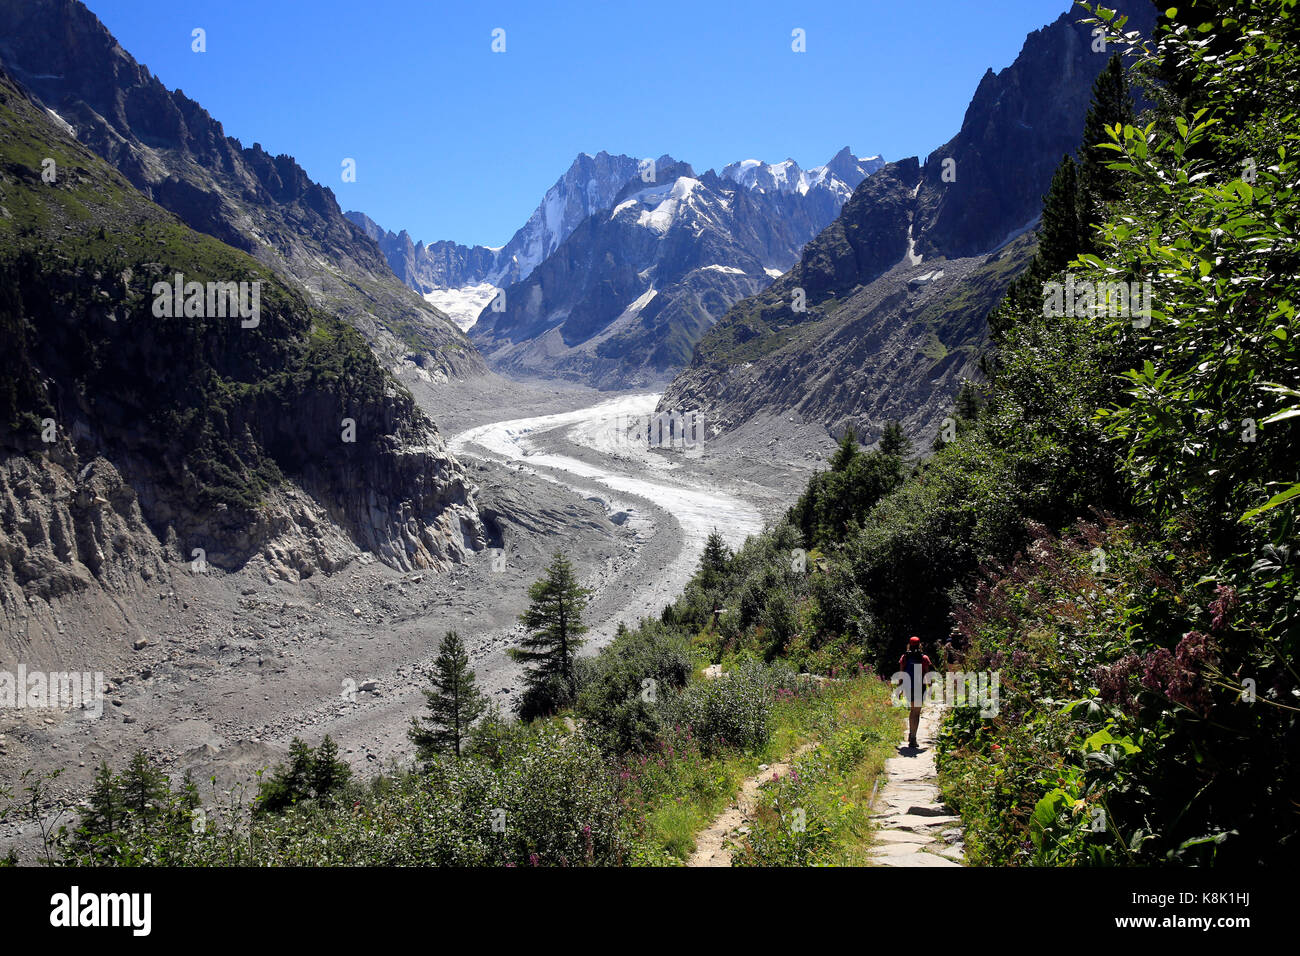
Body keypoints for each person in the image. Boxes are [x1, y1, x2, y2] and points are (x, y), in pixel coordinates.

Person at [898, 636, 932, 748]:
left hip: (908, 686)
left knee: (912, 710)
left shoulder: (904, 657)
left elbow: (901, 674)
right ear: (919, 645)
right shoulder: (924, 658)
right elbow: (927, 675)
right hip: (919, 687)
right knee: (916, 712)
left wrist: (899, 689)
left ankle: (911, 733)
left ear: (909, 645)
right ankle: (913, 737)